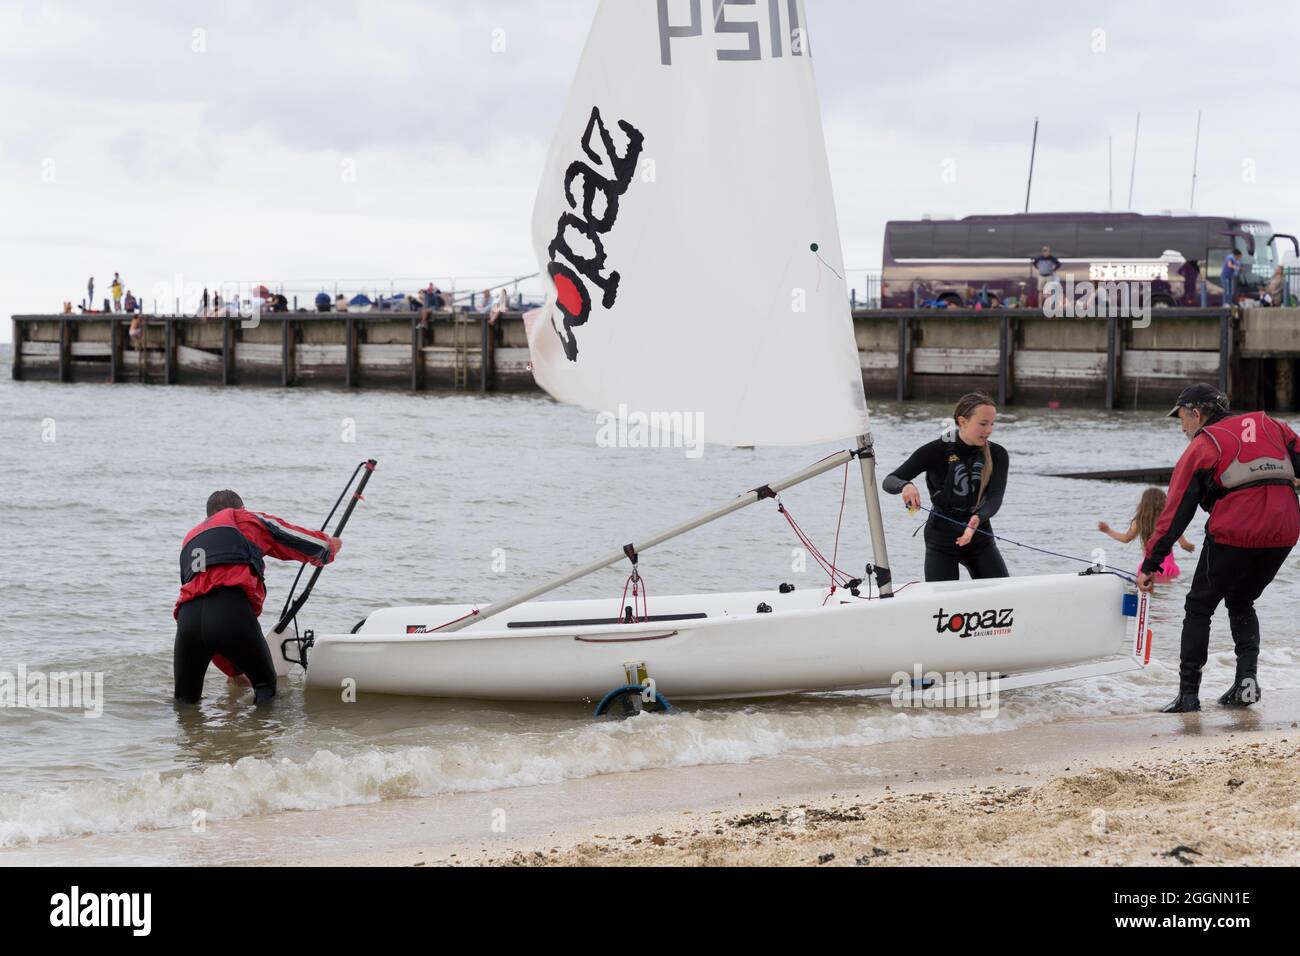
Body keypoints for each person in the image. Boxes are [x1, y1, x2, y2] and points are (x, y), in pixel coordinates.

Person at [1138, 384, 1300, 713]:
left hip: (1235, 529)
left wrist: (1150, 563)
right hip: (1285, 529)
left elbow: (1174, 513)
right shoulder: (1275, 426)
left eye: (1181, 418)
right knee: (1241, 601)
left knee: (1199, 607)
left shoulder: (1204, 444)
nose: (1181, 426)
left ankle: (1188, 694)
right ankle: (1246, 681)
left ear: (1197, 414)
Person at [174, 490, 341, 705]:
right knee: (265, 688)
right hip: (230, 611)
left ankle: (189, 738)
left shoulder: (190, 538)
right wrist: (327, 547)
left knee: (184, 702)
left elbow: (207, 625)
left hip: (188, 622)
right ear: (240, 508)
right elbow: (290, 536)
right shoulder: (243, 518)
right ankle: (260, 736)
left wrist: (234, 672)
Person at [883, 392, 1010, 581]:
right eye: (983, 424)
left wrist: (977, 519)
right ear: (963, 421)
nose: (989, 430)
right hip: (940, 539)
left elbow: (995, 499)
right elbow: (890, 480)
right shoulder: (935, 451)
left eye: (992, 424)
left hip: (979, 535)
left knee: (1002, 594)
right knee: (943, 603)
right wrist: (906, 485)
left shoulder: (997, 454)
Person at [1098, 487, 1194, 582]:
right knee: (1164, 595)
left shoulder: (1139, 522)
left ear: (1143, 505)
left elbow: (1126, 538)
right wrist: (1190, 547)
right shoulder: (1169, 522)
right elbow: (1184, 544)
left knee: (1148, 593)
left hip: (1147, 566)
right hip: (1167, 569)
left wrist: (1108, 530)